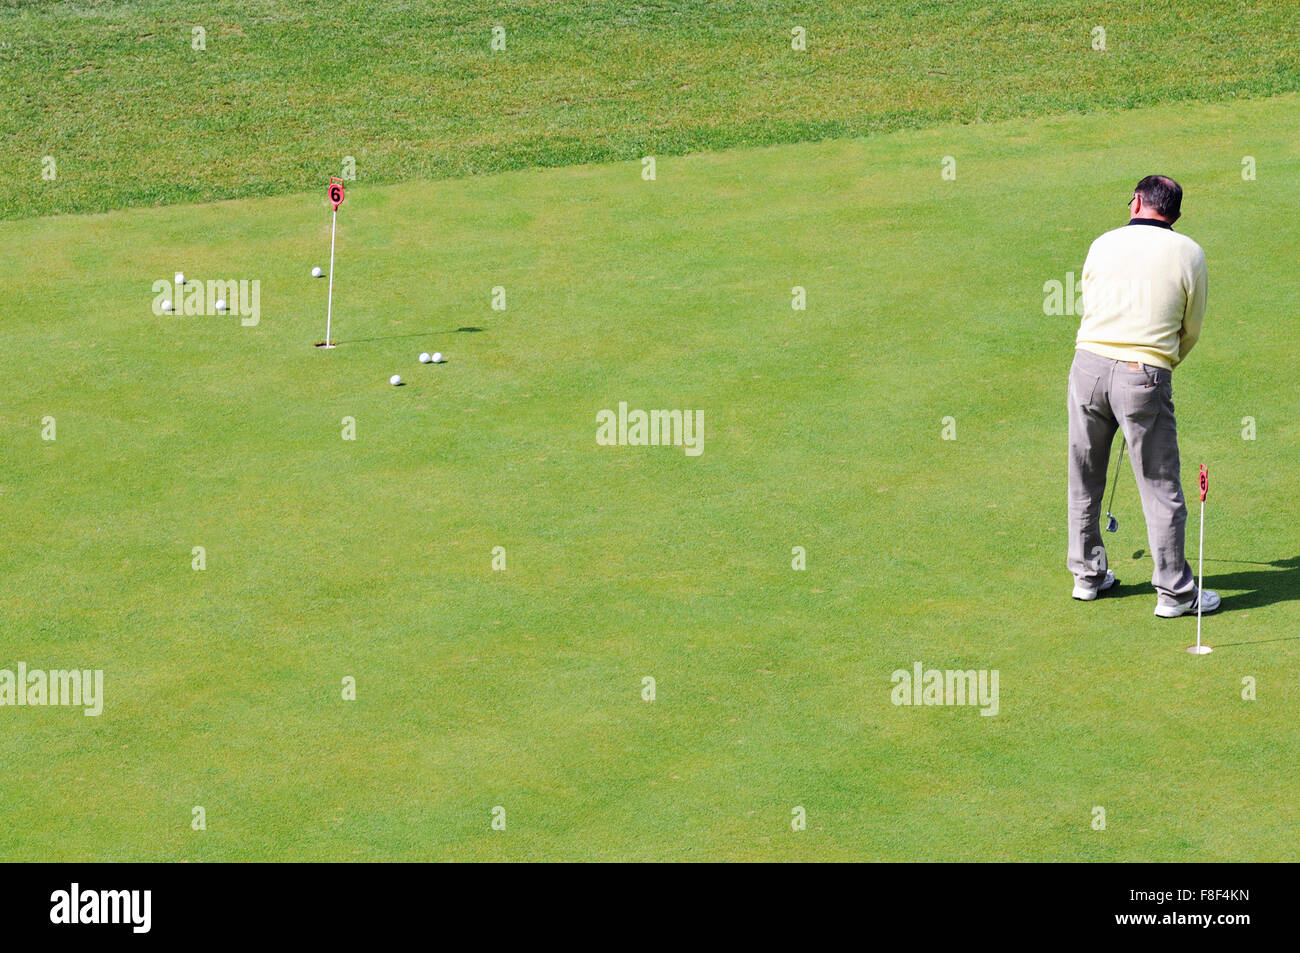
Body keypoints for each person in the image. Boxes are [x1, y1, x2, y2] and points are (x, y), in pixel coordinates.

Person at [1067, 174, 1219, 617]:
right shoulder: (1189, 251)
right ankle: (1174, 593)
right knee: (1160, 484)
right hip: (1145, 374)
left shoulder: (1102, 242)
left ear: (1136, 202)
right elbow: (1190, 329)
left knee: (1084, 476)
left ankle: (1087, 578)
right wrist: (1162, 365)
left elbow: (1091, 300)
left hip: (1087, 367)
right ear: (1175, 213)